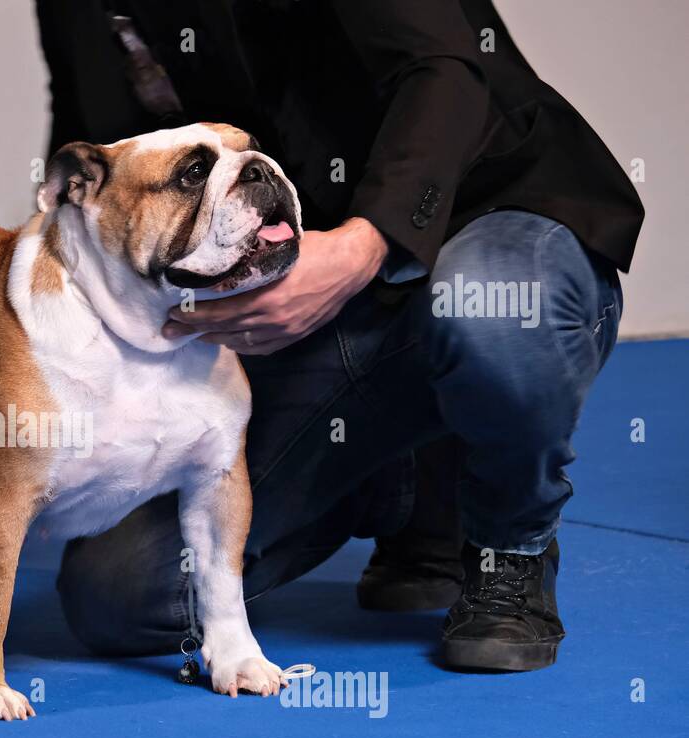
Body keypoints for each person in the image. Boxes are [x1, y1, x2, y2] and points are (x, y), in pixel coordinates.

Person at [32, 0, 644, 671]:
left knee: (491, 315)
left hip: (491, 212)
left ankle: (511, 548)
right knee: (120, 595)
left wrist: (362, 246)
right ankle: (408, 491)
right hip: (302, 282)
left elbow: (444, 69)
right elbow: (95, 178)